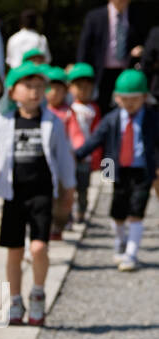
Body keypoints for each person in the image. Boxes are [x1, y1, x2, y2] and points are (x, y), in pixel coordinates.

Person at [0, 63, 77, 323]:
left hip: (41, 194)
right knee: (14, 251)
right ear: (13, 91)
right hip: (12, 194)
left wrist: (69, 189)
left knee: (39, 248)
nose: (34, 92)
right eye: (28, 86)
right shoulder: (3, 121)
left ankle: (38, 293)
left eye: (40, 87)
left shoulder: (52, 121)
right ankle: (15, 300)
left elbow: (63, 157)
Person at [75, 68, 159, 271]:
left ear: (145, 98)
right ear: (117, 98)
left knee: (137, 210)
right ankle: (120, 241)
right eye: (125, 98)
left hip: (143, 169)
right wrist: (74, 156)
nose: (130, 103)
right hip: (115, 167)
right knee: (116, 211)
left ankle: (131, 253)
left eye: (135, 99)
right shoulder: (112, 119)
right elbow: (96, 139)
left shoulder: (152, 118)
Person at [77, 0, 144, 111]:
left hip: (126, 73)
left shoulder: (137, 16)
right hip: (101, 73)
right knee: (100, 107)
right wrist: (82, 73)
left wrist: (140, 50)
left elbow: (143, 41)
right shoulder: (95, 17)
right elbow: (84, 48)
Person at [44, 67, 83, 238]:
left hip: (64, 159)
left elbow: (76, 135)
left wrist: (77, 148)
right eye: (50, 88)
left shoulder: (68, 112)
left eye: (59, 90)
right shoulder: (41, 112)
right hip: (44, 160)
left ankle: (61, 221)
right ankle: (48, 223)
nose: (53, 93)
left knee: (65, 192)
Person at [68, 63, 103, 225]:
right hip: (69, 155)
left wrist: (97, 157)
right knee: (68, 187)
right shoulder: (68, 109)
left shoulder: (94, 109)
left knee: (83, 187)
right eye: (79, 86)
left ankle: (81, 211)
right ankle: (67, 213)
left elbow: (98, 135)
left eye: (87, 87)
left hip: (86, 157)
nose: (83, 90)